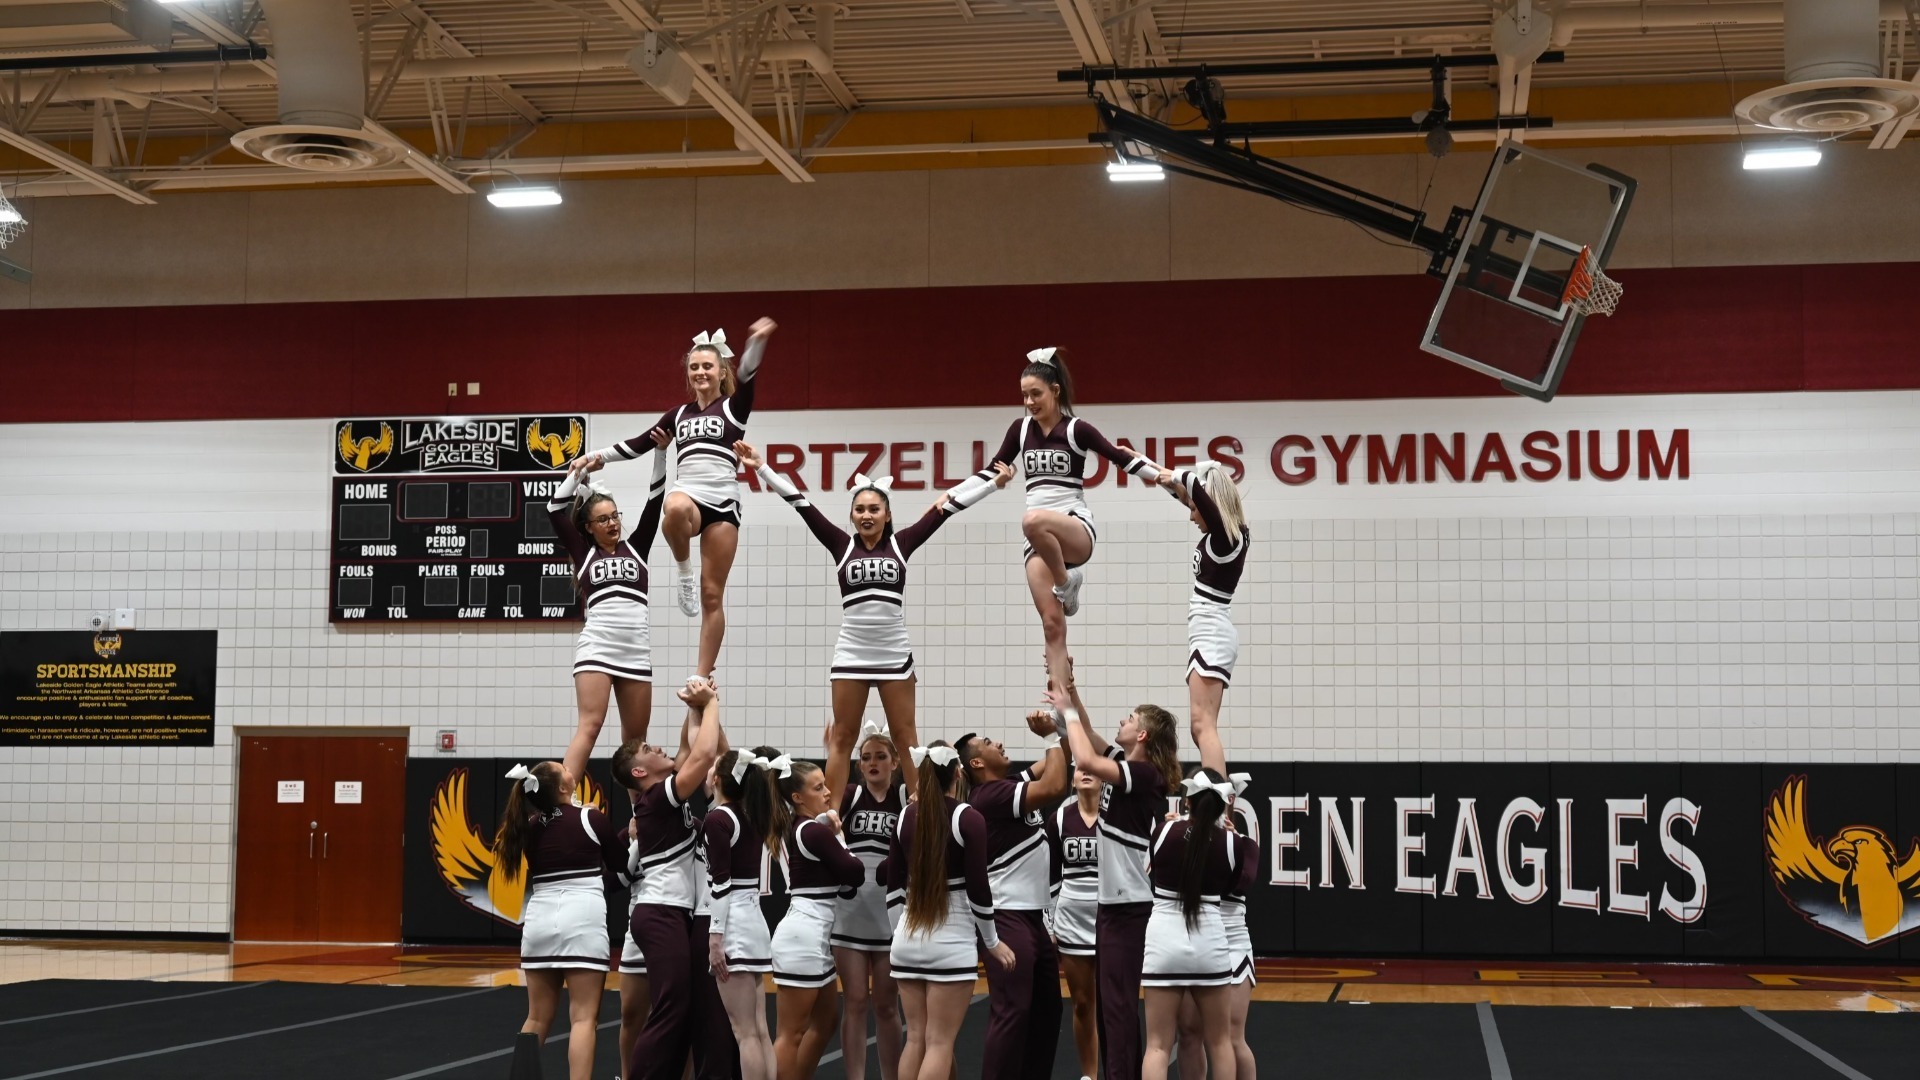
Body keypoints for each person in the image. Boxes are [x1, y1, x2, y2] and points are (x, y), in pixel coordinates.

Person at [739, 441, 1010, 798]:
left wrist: (993, 484)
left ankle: (918, 810)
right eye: (860, 509)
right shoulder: (841, 545)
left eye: (874, 509)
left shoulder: (902, 544)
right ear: (852, 515)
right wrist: (761, 467)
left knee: (905, 737)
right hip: (852, 649)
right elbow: (800, 502)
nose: (867, 515)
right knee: (843, 737)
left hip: (893, 650)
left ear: (886, 514)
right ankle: (829, 812)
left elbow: (947, 509)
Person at [941, 348, 1163, 688]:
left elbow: (1121, 458)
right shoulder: (1020, 430)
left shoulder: (1077, 430)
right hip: (1040, 545)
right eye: (1024, 396)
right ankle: (1063, 708)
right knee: (1052, 625)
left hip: (1073, 526)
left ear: (1055, 391)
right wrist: (951, 498)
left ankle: (1066, 582)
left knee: (1031, 520)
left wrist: (1168, 477)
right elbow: (990, 472)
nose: (1029, 402)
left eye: (1036, 394)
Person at [575, 319, 777, 686]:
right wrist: (596, 456)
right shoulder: (678, 415)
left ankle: (701, 674)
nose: (700, 372)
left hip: (724, 506)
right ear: (688, 374)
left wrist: (756, 341)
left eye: (707, 367)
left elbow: (749, 373)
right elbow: (639, 443)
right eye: (694, 367)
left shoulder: (734, 409)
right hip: (690, 497)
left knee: (713, 595)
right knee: (675, 506)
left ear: (720, 372)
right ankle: (684, 570)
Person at [1055, 663, 1180, 1080]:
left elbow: (1085, 755)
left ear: (1143, 735)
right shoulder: (1127, 765)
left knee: (1120, 1008)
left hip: (1128, 909)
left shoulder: (1142, 775)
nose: (1122, 722)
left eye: (1130, 719)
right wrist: (1071, 696)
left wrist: (1065, 714)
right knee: (1112, 1009)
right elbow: (1092, 740)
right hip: (1112, 906)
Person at [613, 681, 725, 1080]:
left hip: (673, 913)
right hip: (659, 913)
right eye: (648, 750)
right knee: (670, 1008)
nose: (658, 748)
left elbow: (684, 749)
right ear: (640, 771)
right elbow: (704, 753)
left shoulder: (660, 793)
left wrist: (693, 706)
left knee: (681, 1009)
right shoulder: (658, 798)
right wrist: (711, 703)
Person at [883, 743, 1015, 1080]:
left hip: (907, 941)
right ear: (958, 772)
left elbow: (893, 887)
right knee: (939, 1043)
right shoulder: (968, 817)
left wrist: (898, 932)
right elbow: (978, 889)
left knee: (915, 1040)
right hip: (951, 943)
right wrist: (992, 941)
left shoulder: (904, 817)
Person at [547, 442, 671, 785]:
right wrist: (579, 470)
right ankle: (563, 799)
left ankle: (640, 815)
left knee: (635, 744)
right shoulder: (584, 554)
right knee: (590, 725)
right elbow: (555, 507)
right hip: (597, 648)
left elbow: (656, 500)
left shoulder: (637, 548)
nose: (613, 523)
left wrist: (660, 453)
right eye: (603, 519)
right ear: (588, 527)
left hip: (635, 652)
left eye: (615, 516)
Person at [958, 711, 1070, 1080]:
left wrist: (1062, 718)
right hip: (1007, 916)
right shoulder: (990, 794)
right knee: (1012, 1012)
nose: (1000, 744)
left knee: (1047, 1010)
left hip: (1032, 919)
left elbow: (1054, 763)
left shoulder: (1005, 786)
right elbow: (1055, 786)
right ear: (976, 762)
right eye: (990, 743)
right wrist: (1050, 739)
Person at [495, 760, 623, 1080]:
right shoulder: (591, 817)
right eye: (563, 769)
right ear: (564, 788)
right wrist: (623, 833)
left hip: (539, 921)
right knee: (582, 1019)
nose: (569, 768)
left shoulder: (529, 826)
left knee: (536, 1018)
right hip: (582, 918)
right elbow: (620, 865)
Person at [1139, 769, 1250, 1080]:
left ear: (1187, 799)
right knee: (1219, 1043)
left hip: (1163, 941)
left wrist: (1170, 826)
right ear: (1223, 803)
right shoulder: (1232, 842)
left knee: (1158, 1047)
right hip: (1210, 942)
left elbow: (1145, 870)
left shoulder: (1162, 832)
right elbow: (1233, 887)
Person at [771, 759, 867, 1080]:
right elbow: (855, 873)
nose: (828, 793)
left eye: (826, 784)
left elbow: (848, 883)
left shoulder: (808, 828)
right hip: (802, 937)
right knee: (790, 1034)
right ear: (797, 798)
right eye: (818, 788)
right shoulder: (812, 830)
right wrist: (838, 836)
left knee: (825, 1021)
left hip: (814, 937)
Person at [1157, 462, 1251, 776]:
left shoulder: (1227, 537)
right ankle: (1220, 801)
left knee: (1203, 726)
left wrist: (1186, 474)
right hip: (1206, 631)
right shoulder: (1226, 534)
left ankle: (1219, 807)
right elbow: (1180, 489)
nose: (1190, 515)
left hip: (1212, 629)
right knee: (1201, 727)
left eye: (1196, 509)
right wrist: (1136, 463)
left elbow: (1190, 485)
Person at [833, 726, 909, 1080]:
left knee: (886, 1005)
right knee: (856, 1002)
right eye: (866, 758)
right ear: (859, 765)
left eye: (881, 756)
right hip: (850, 911)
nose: (873, 763)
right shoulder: (848, 795)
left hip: (890, 911)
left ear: (895, 761)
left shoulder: (906, 797)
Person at [705, 748, 787, 1080]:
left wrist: (715, 937)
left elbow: (721, 884)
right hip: (754, 921)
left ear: (719, 779)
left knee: (745, 1033)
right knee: (760, 1030)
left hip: (734, 923)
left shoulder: (719, 818)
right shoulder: (751, 815)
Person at [1176, 774, 1259, 1080]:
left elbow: (1241, 881)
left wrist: (1227, 840)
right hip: (1193, 940)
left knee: (1232, 1035)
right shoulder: (1180, 838)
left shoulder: (1242, 845)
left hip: (1232, 941)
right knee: (1188, 1032)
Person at [1047, 762, 1104, 1080]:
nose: (1085, 773)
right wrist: (1051, 921)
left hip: (1109, 921)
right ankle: (1089, 1075)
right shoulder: (1060, 818)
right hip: (1071, 921)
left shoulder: (1115, 819)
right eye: (1079, 769)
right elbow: (1050, 873)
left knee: (1113, 1006)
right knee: (1082, 1003)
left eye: (1092, 769)